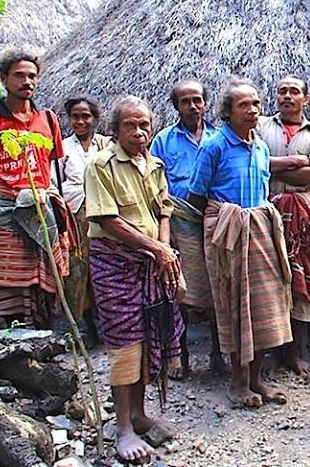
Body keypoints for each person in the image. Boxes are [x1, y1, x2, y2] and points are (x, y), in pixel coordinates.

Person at [84, 95, 183, 464]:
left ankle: (139, 414)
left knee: (149, 335)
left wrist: (163, 249)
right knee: (124, 341)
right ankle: (123, 428)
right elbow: (106, 219)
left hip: (151, 261)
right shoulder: (101, 165)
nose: (139, 132)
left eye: (144, 125)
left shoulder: (154, 164)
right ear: (115, 128)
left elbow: (164, 211)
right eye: (130, 125)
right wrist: (156, 249)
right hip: (116, 263)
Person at [188, 78, 291, 408]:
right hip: (227, 236)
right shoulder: (214, 146)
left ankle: (256, 380)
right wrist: (221, 227)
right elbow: (196, 197)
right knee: (234, 307)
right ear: (228, 112)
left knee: (263, 307)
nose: (252, 110)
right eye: (244, 105)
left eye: (256, 104)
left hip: (259, 233)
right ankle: (237, 383)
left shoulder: (260, 147)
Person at [0, 48, 73, 328]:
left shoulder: (47, 120)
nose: (26, 81)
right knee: (9, 279)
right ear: (4, 79)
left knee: (46, 277)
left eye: (32, 76)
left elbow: (52, 163)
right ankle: (13, 334)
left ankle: (46, 331)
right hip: (5, 208)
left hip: (41, 205)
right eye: (19, 75)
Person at [258, 75, 310, 377]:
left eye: (294, 92)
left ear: (306, 99)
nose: (287, 96)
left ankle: (295, 351)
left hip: (302, 220)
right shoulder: (260, 126)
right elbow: (254, 164)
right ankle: (274, 351)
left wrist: (272, 166)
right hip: (266, 216)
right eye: (282, 91)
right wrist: (294, 162)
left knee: (302, 279)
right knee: (270, 281)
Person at [151, 79, 222, 378]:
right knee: (178, 289)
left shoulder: (219, 137)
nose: (193, 106)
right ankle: (180, 356)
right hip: (179, 221)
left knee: (218, 285)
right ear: (176, 106)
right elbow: (155, 183)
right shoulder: (163, 141)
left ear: (205, 103)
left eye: (197, 100)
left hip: (214, 220)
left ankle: (218, 353)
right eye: (185, 101)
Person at [58, 95, 111, 345]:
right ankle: (85, 327)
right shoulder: (62, 148)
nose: (80, 121)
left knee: (105, 269)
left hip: (104, 215)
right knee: (78, 272)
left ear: (95, 118)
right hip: (74, 216)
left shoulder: (107, 146)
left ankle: (110, 326)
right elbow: (55, 183)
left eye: (85, 116)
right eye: (75, 117)